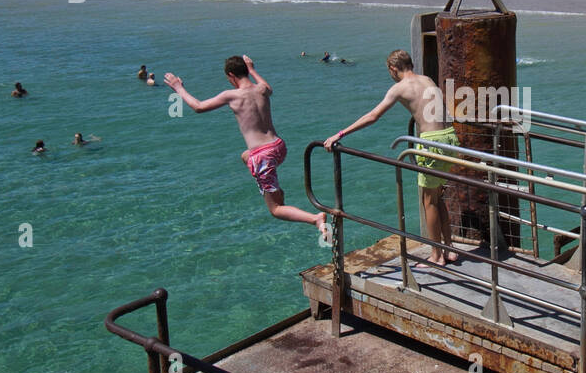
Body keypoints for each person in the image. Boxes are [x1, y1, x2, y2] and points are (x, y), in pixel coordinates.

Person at [324, 50, 459, 267]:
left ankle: (436, 256)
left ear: (393, 69)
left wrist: (340, 134)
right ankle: (449, 250)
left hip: (432, 144)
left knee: (428, 201)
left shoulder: (399, 88)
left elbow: (373, 116)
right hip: (450, 138)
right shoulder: (427, 79)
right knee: (437, 196)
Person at [164, 56, 326, 233]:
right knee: (245, 156)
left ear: (231, 75)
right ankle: (274, 189)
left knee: (276, 209)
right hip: (278, 147)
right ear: (246, 71)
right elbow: (269, 88)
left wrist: (178, 88)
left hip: (263, 156)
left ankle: (315, 219)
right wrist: (253, 70)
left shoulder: (231, 95)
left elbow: (199, 107)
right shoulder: (262, 89)